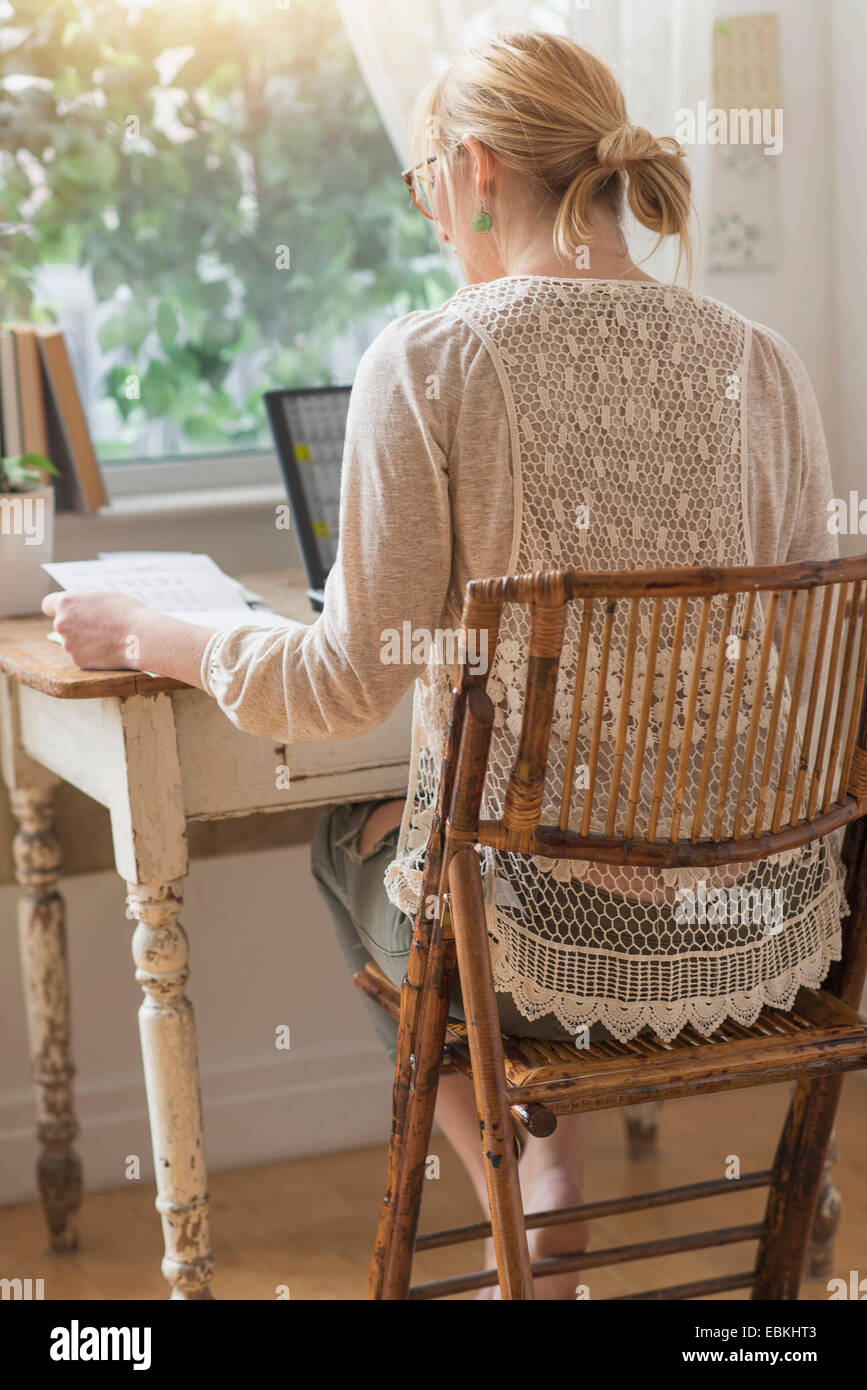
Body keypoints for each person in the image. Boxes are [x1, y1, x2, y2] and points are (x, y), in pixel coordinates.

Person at [45, 30, 847, 1299]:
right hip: (767, 934)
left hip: (536, 952)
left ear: (476, 169)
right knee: (436, 831)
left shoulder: (429, 361)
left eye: (424, 186)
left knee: (346, 840)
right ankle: (573, 1176)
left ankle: (530, 1177)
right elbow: (809, 661)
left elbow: (340, 685)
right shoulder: (768, 367)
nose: (430, 221)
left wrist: (162, 637)